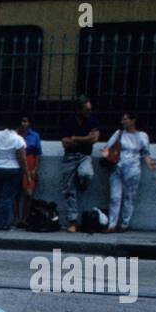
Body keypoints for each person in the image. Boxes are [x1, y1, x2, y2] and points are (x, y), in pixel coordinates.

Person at [102, 112, 156, 232]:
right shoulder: (119, 133)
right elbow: (107, 147)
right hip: (117, 167)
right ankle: (112, 224)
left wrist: (150, 163)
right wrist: (106, 154)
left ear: (133, 120)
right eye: (123, 119)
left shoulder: (142, 136)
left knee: (129, 197)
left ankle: (124, 224)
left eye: (126, 119)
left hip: (133, 169)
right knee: (115, 197)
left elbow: (145, 152)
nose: (123, 121)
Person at [59, 95, 101, 232]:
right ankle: (72, 221)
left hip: (84, 156)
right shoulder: (68, 122)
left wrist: (75, 138)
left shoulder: (92, 121)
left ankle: (83, 182)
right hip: (70, 157)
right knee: (69, 189)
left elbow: (94, 139)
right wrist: (86, 138)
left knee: (87, 173)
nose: (89, 112)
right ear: (78, 110)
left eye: (90, 109)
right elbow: (65, 142)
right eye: (86, 109)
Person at [0, 114, 27, 232]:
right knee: (7, 197)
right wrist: (27, 175)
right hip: (12, 169)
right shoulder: (18, 139)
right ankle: (3, 224)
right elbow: (22, 159)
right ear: (18, 126)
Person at [15, 115, 41, 228]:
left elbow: (38, 153)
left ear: (29, 123)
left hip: (29, 163)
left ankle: (24, 218)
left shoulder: (34, 136)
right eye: (22, 121)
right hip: (16, 163)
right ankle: (16, 218)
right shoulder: (15, 135)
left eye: (25, 121)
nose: (23, 124)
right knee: (16, 193)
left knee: (29, 193)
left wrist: (35, 169)